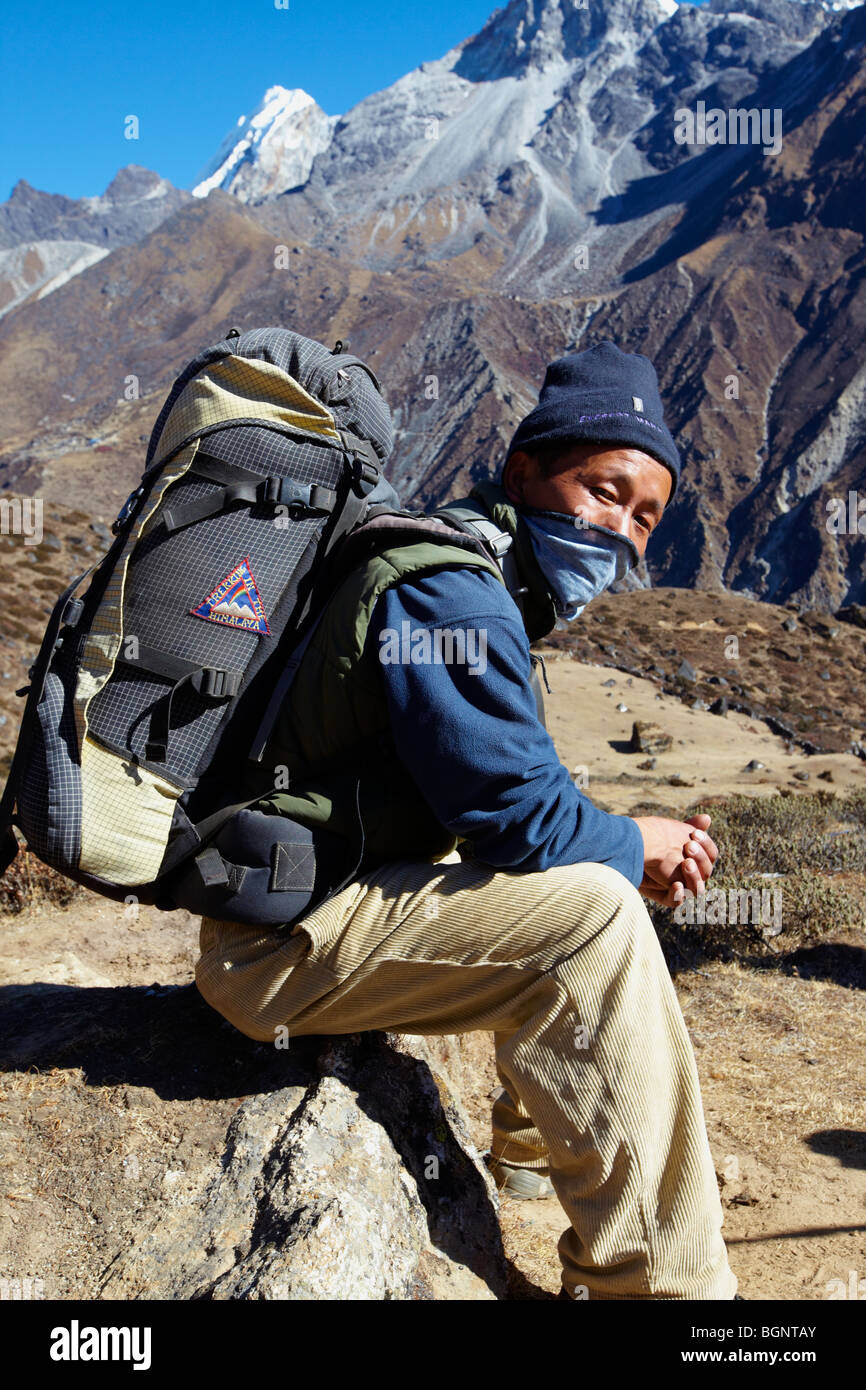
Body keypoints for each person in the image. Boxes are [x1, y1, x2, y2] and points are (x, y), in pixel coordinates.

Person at [194, 340, 737, 1301]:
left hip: (304, 913)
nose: (624, 534)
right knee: (596, 919)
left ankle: (531, 1152)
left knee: (589, 884)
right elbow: (517, 823)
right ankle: (662, 1294)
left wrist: (613, 845)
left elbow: (509, 806)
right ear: (524, 470)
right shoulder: (450, 592)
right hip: (277, 952)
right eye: (605, 491)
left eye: (647, 516)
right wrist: (636, 841)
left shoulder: (470, 572)